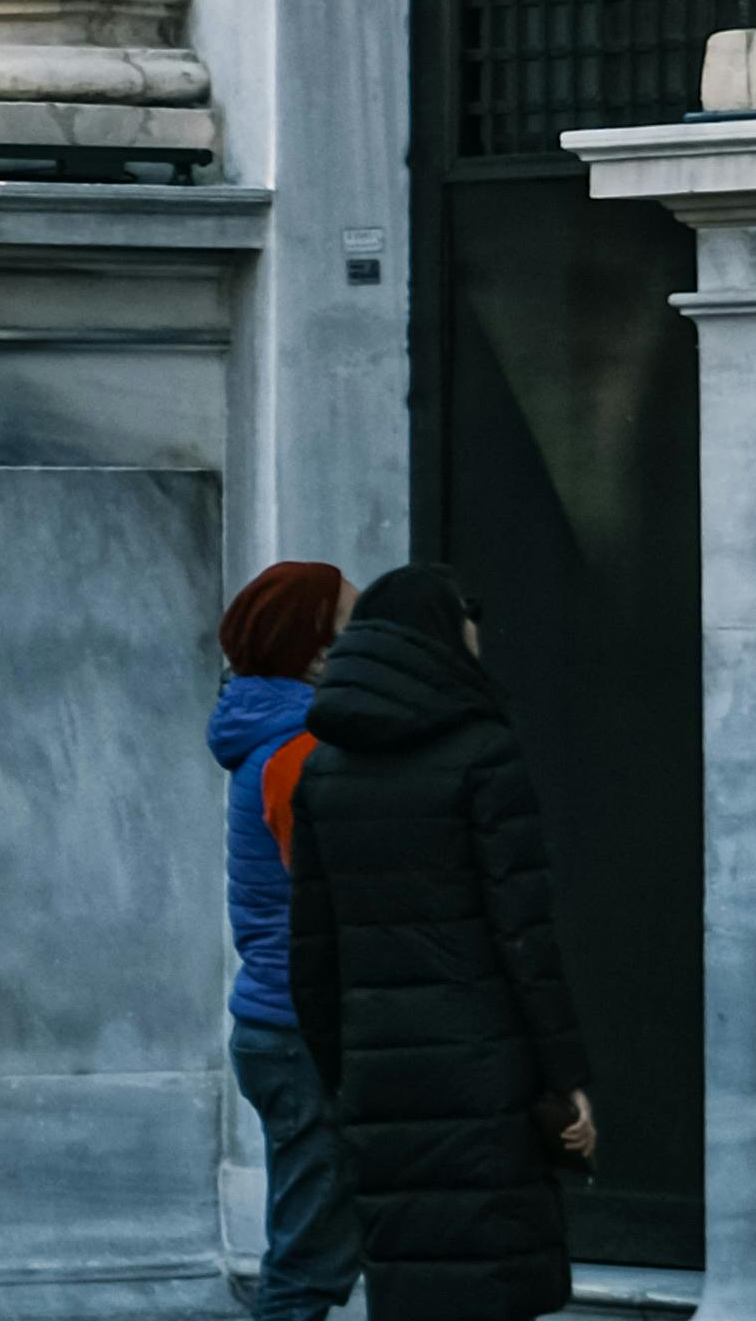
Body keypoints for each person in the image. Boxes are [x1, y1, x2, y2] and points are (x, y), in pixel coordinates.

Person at [284, 565, 597, 1321]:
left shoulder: (322, 770)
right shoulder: (484, 753)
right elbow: (522, 935)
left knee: (413, 1281)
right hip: (482, 1069)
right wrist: (565, 1077)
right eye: (467, 620)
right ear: (439, 634)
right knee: (488, 1278)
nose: (477, 636)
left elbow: (313, 955)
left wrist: (343, 1075)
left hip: (379, 1072)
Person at [212, 556, 362, 1321]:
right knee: (308, 1262)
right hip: (301, 1030)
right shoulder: (299, 752)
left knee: (314, 1243)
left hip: (282, 1026)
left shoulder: (279, 738)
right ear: (314, 651)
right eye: (353, 625)